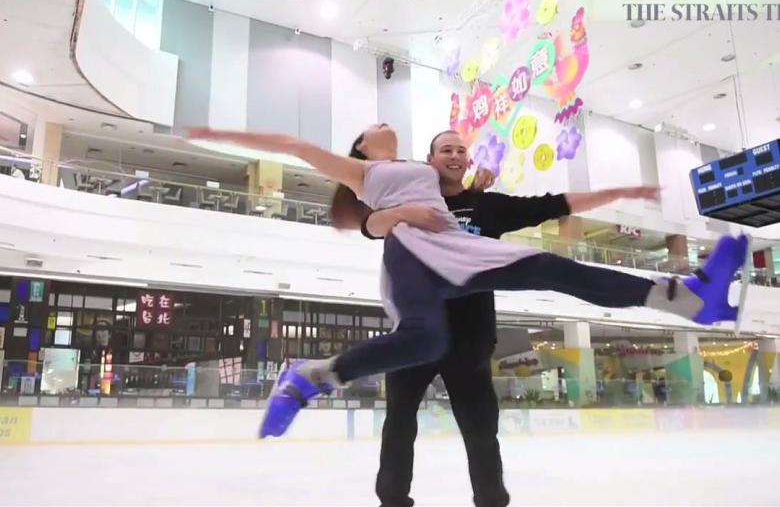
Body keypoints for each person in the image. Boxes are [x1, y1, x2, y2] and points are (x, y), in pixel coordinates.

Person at [187, 124, 748, 440]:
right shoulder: (363, 172)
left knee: (546, 266)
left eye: (453, 151)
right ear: (361, 148)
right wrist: (216, 133)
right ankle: (311, 377)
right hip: (413, 256)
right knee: (427, 340)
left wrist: (613, 190)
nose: (386, 125)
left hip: (457, 247)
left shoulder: (427, 167)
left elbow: (479, 180)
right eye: (374, 128)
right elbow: (292, 145)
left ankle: (686, 298)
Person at [363, 130, 663, 507]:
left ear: (468, 161)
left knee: (481, 432)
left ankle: (491, 501)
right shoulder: (410, 200)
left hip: (469, 341)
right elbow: (370, 223)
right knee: (398, 426)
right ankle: (392, 500)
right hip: (412, 337)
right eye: (445, 150)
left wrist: (618, 193)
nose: (454, 156)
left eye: (460, 150)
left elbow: (551, 205)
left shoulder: (488, 207)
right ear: (430, 159)